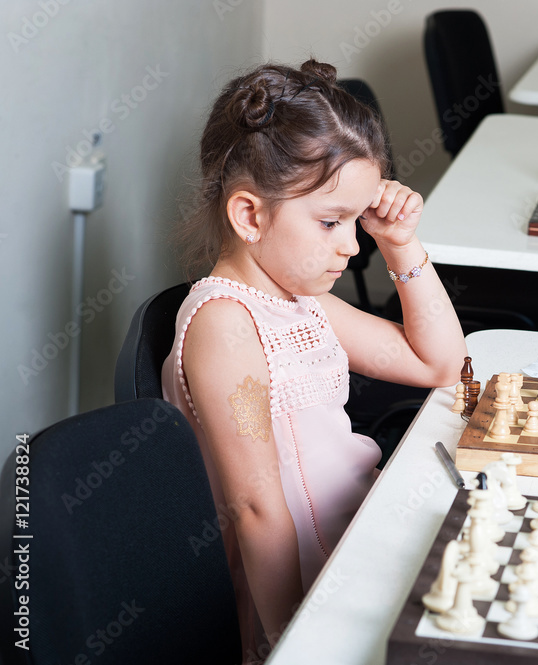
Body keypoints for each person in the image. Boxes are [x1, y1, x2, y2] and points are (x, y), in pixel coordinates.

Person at [161, 60, 466, 662]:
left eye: (357, 220)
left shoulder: (303, 301)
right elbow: (255, 507)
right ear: (250, 215)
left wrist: (400, 243)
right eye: (331, 222)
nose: (353, 246)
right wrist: (291, 642)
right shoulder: (226, 323)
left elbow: (441, 366)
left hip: (360, 539)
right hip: (308, 593)